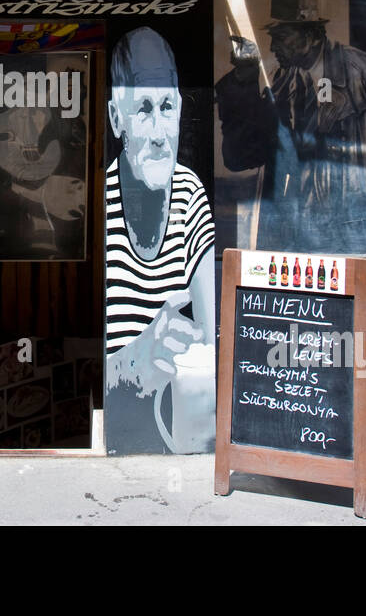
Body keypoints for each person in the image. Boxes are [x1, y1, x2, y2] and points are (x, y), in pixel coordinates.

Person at [216, 0, 366, 254]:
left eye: (281, 37)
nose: (271, 47)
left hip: (351, 229)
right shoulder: (280, 83)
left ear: (311, 35)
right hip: (295, 234)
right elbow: (240, 157)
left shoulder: (364, 72)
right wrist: (242, 83)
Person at [105, 27, 215, 454]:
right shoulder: (101, 200)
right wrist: (140, 358)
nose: (158, 133)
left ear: (181, 109)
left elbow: (210, 345)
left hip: (181, 426)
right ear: (117, 120)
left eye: (166, 107)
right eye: (142, 109)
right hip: (119, 430)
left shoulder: (189, 194)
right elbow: (89, 368)